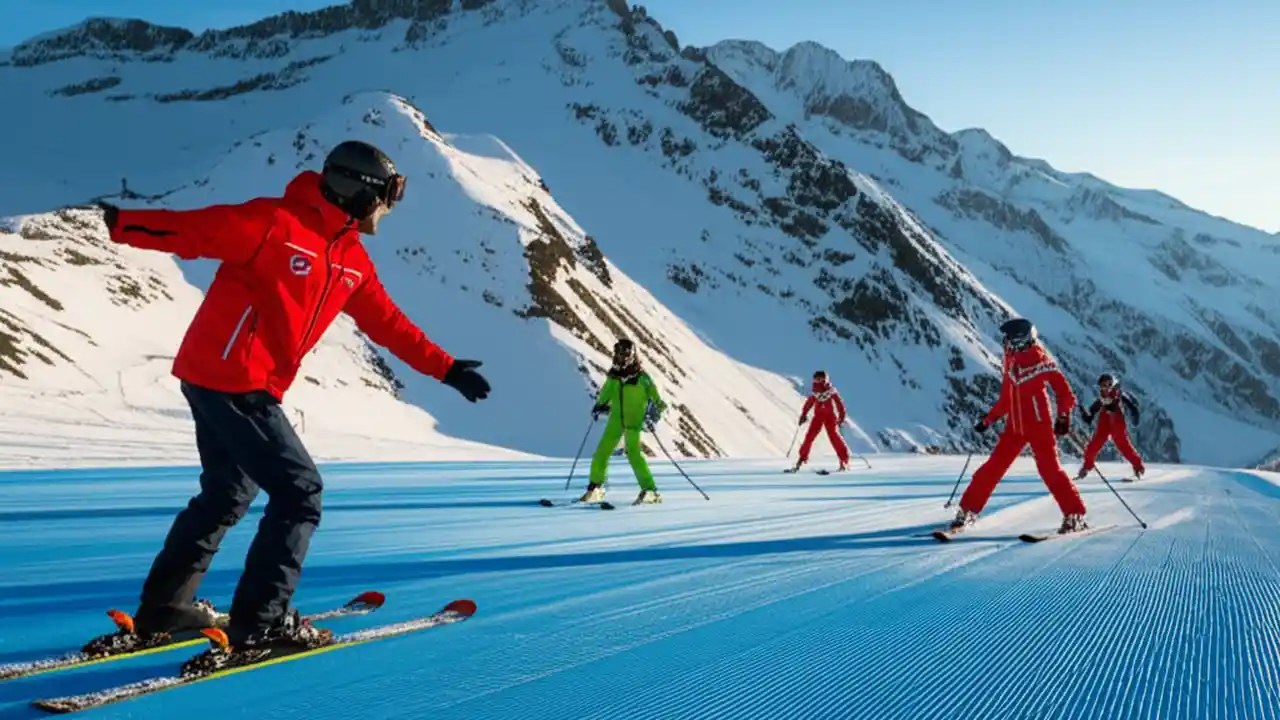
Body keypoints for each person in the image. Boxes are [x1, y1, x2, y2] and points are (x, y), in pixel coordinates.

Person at [95, 140, 491, 670]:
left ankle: (166, 610)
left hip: (220, 379)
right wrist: (121, 223)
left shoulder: (350, 259)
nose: (388, 212)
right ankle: (259, 623)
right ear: (359, 192)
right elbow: (194, 230)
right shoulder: (274, 224)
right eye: (386, 199)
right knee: (300, 492)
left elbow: (388, 323)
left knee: (227, 493)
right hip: (235, 381)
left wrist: (445, 367)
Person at [952, 318, 1087, 534]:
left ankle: (1074, 514)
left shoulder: (1041, 362)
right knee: (991, 469)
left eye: (1009, 338)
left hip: (1039, 427)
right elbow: (1006, 399)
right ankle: (968, 510)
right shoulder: (1011, 362)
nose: (1005, 342)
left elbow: (1065, 393)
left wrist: (1063, 417)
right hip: (1014, 428)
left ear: (1021, 339)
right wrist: (988, 420)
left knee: (1050, 471)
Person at [579, 338, 667, 506]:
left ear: (632, 356)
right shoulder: (614, 377)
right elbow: (606, 393)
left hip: (634, 423)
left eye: (625, 355)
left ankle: (650, 491)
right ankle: (596, 487)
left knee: (634, 455)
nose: (621, 359)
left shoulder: (642, 379)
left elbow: (659, 403)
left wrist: (653, 417)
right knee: (601, 453)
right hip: (616, 421)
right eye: (619, 355)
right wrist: (599, 406)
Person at [1078, 373, 1145, 480]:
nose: (1104, 388)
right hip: (1104, 424)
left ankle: (1138, 466)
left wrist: (1135, 414)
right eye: (1102, 385)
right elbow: (1091, 415)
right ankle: (1086, 467)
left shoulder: (1118, 394)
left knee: (1123, 446)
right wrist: (1084, 414)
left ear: (1111, 384)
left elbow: (1131, 406)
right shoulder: (1102, 398)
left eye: (1106, 385)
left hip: (1117, 423)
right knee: (1093, 445)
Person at [786, 370, 850, 473]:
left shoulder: (831, 391)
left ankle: (843, 461)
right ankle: (801, 459)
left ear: (825, 379)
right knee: (809, 437)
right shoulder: (815, 392)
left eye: (819, 379)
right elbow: (809, 403)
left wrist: (841, 417)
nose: (817, 381)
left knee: (834, 438)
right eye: (816, 379)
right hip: (818, 417)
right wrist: (804, 414)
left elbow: (840, 404)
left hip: (830, 417)